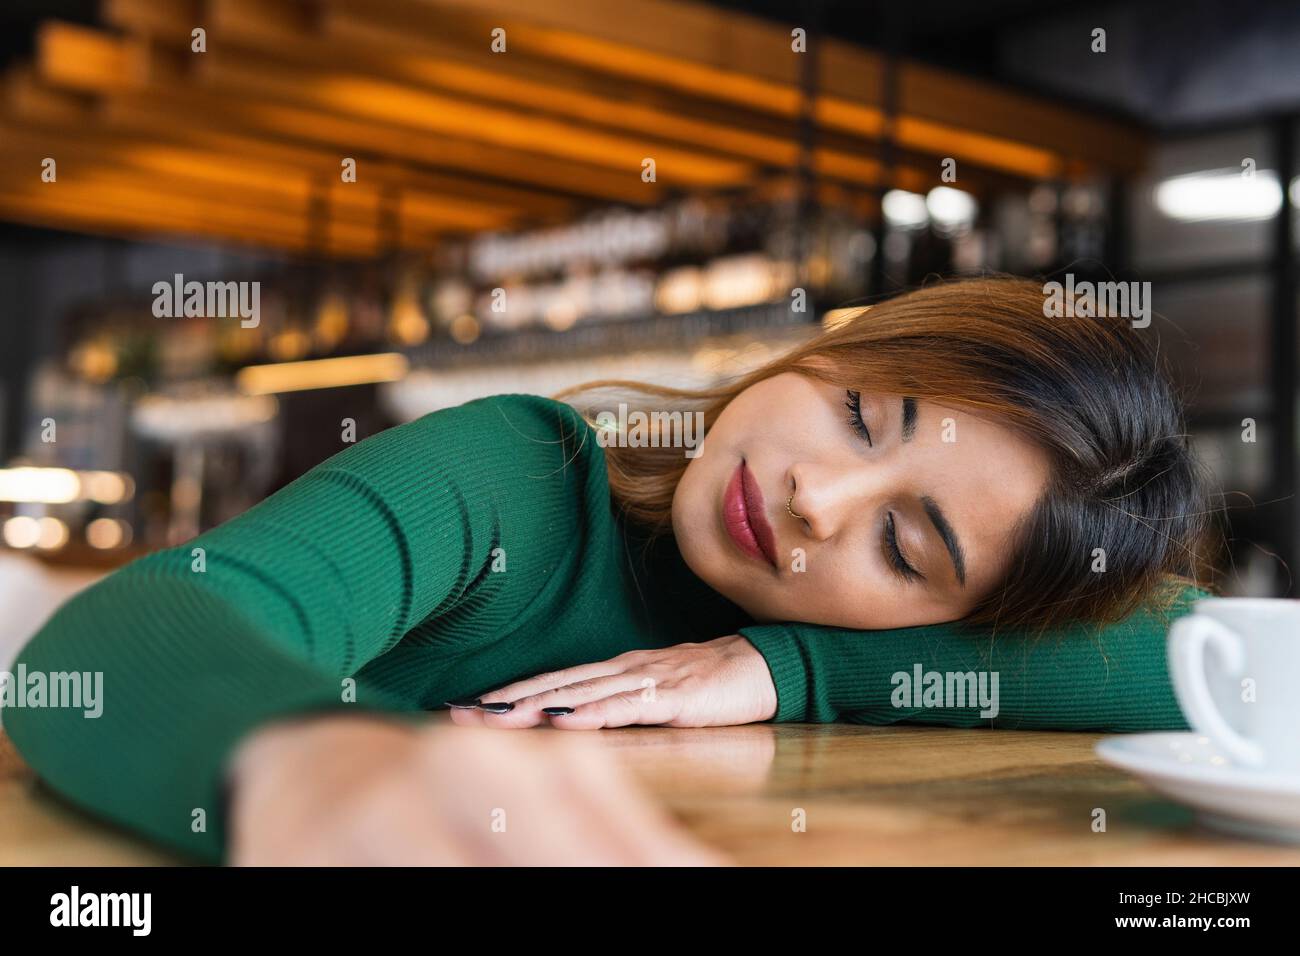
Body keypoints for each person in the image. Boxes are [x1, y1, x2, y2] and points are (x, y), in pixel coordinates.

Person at [5, 276, 1213, 864]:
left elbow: (1227, 666)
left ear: (963, 619)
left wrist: (787, 663)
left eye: (903, 546)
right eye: (857, 412)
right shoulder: (516, 476)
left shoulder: (865, 637)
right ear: (833, 343)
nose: (817, 495)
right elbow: (108, 641)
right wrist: (323, 767)